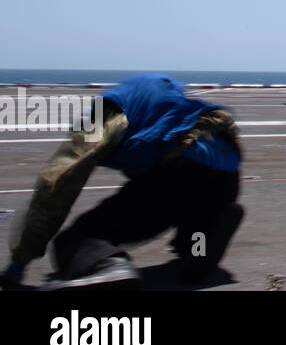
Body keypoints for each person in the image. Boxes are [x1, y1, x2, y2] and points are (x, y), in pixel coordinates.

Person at [2, 74, 243, 290]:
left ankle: (107, 266)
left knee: (79, 239)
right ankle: (199, 254)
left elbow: (60, 179)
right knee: (192, 232)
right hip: (224, 178)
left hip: (180, 175)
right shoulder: (172, 101)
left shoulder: (108, 111)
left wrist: (20, 259)